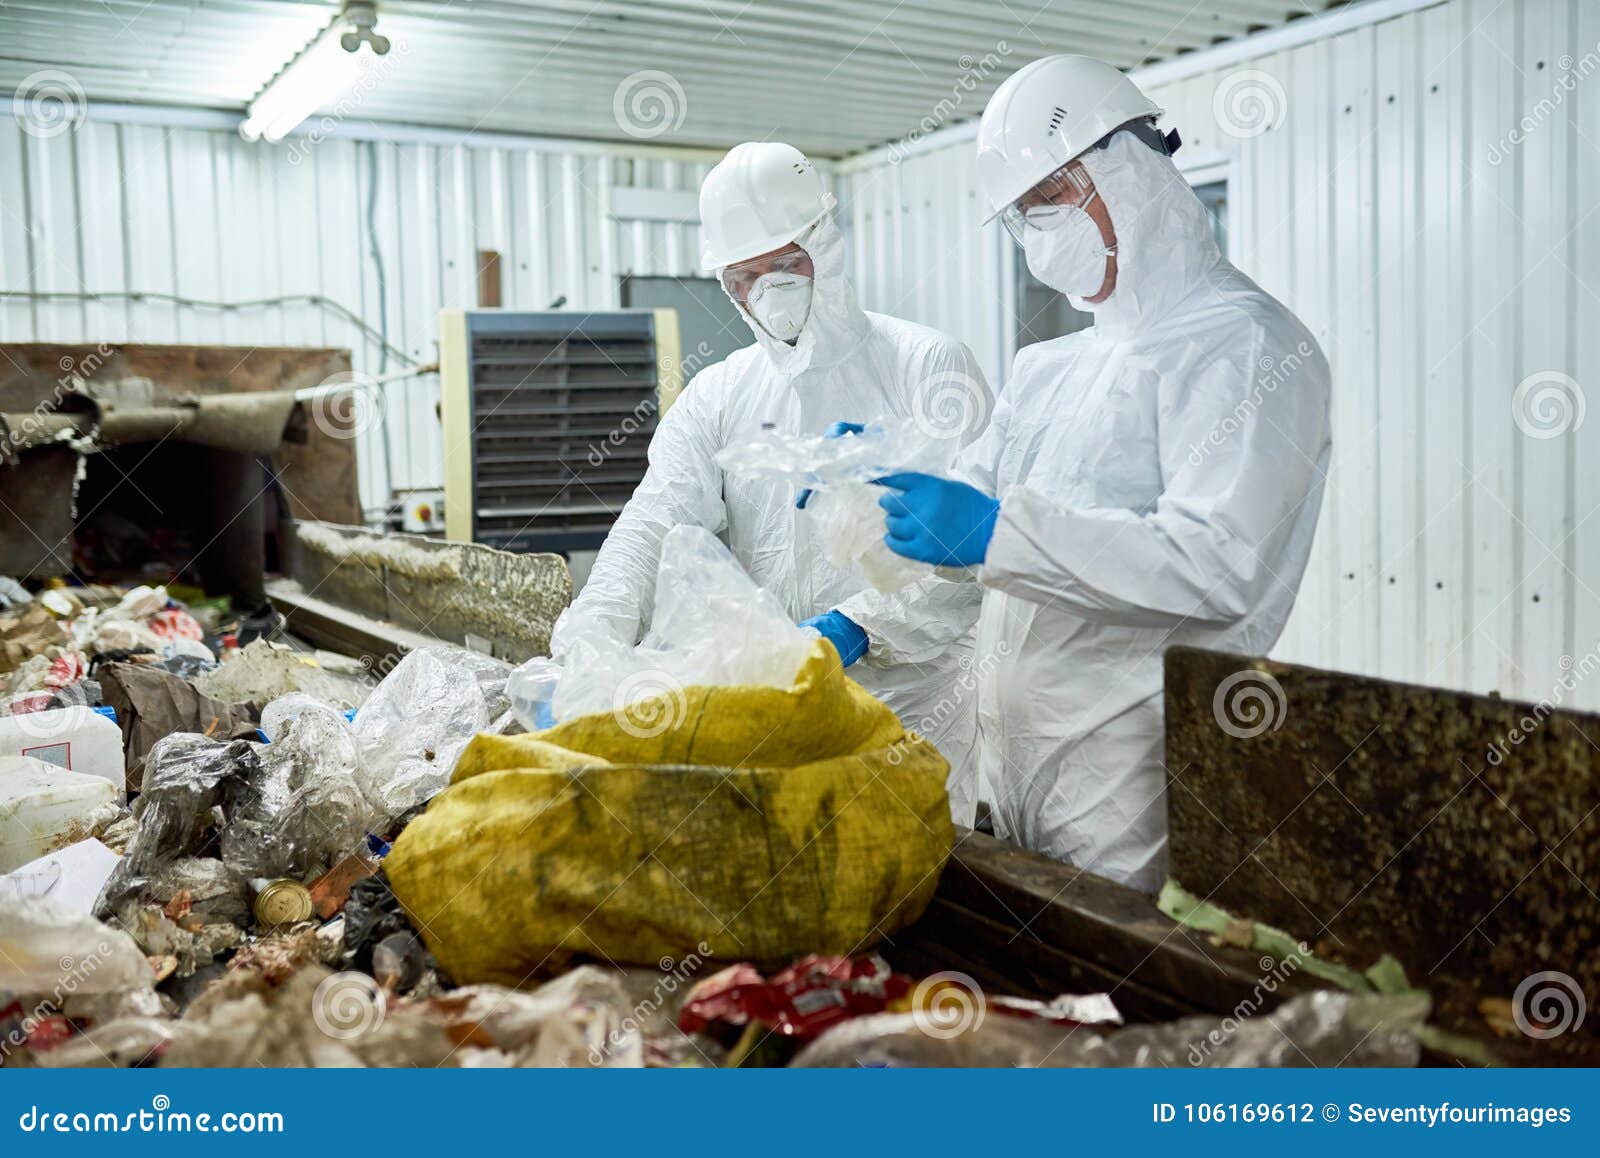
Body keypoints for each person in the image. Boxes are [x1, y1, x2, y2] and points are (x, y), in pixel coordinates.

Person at [871, 56, 1332, 891]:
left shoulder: (1247, 345)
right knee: (1037, 1000)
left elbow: (1217, 565)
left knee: (1115, 994)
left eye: (1053, 199)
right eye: (1025, 215)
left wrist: (995, 532)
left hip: (1133, 773)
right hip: (1007, 757)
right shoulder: (1050, 367)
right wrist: (861, 485)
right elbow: (963, 508)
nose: (1041, 231)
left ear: (1133, 174)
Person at [550, 141, 992, 821]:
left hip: (914, 707)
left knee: (918, 880)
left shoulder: (927, 366)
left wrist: (856, 625)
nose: (769, 293)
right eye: (743, 278)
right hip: (780, 704)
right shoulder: (719, 393)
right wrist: (595, 634)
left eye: (786, 265)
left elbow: (972, 561)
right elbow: (656, 517)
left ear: (827, 245)